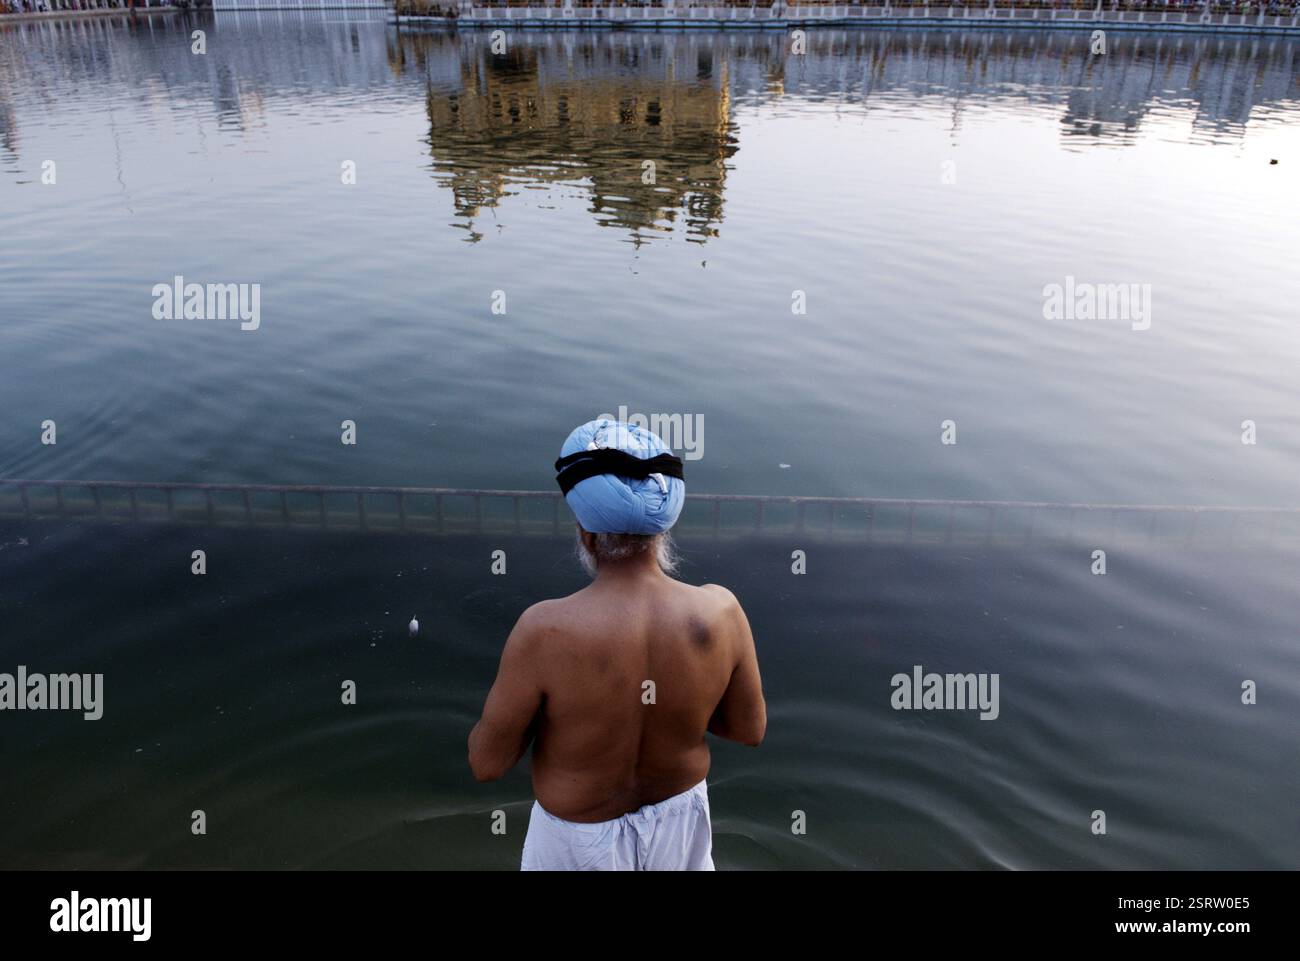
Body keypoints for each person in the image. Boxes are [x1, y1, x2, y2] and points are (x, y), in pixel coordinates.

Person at [468, 418, 765, 870]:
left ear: (587, 534)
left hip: (577, 841)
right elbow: (749, 730)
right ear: (662, 530)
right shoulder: (721, 612)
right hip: (680, 826)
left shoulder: (545, 630)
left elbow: (487, 763)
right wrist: (680, 708)